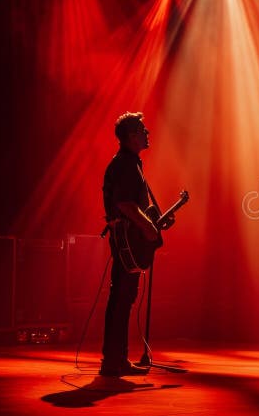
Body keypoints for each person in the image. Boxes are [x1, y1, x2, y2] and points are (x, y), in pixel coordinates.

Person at [100, 112, 165, 377]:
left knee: (122, 297)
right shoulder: (126, 165)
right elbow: (125, 204)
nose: (147, 132)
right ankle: (115, 361)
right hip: (126, 240)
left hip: (126, 239)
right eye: (142, 129)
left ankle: (115, 359)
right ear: (130, 136)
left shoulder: (131, 163)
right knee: (122, 297)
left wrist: (154, 220)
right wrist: (148, 226)